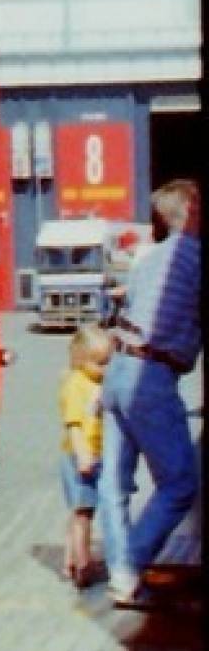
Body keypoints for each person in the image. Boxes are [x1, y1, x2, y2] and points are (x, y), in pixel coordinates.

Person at [96, 178, 201, 609]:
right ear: (192, 212)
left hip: (118, 368)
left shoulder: (147, 258)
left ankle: (122, 577)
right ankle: (129, 566)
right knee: (179, 483)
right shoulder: (196, 257)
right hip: (151, 376)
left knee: (114, 484)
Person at [57, 323, 111, 587]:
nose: (105, 369)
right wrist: (83, 456)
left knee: (79, 512)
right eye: (99, 363)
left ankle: (69, 561)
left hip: (96, 454)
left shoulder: (97, 382)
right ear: (80, 360)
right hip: (80, 458)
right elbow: (74, 425)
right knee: (83, 514)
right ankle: (83, 565)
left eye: (108, 362)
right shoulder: (76, 385)